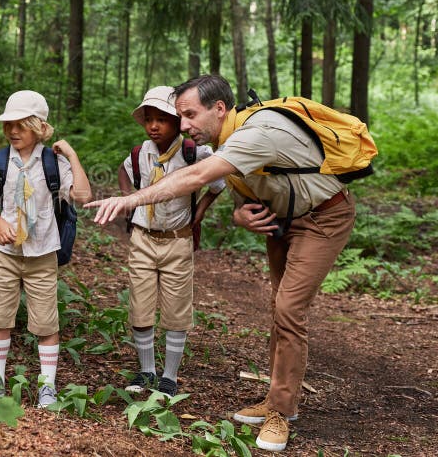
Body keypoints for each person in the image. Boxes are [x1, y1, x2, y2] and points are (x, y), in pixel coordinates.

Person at [86, 75, 355, 452]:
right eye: (180, 116)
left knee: (289, 309)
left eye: (190, 115)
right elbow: (242, 197)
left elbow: (195, 177)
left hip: (324, 217)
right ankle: (274, 399)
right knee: (280, 309)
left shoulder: (253, 134)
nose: (183, 125)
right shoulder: (223, 141)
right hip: (281, 219)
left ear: (219, 108)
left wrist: (129, 201)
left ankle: (282, 411)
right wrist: (240, 216)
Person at [0, 90, 92, 408]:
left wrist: (72, 155)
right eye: (9, 124)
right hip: (5, 254)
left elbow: (82, 196)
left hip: (42, 254)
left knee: (45, 322)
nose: (13, 131)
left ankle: (47, 387)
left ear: (38, 127)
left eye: (21, 125)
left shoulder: (53, 163)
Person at [118, 86, 225, 397]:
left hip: (177, 240)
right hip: (142, 238)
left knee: (177, 309)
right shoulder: (140, 153)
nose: (154, 126)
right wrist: (130, 200)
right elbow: (124, 172)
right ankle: (146, 370)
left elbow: (218, 183)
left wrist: (199, 213)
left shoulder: (195, 153)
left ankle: (170, 375)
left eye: (162, 120)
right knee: (140, 304)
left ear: (178, 120)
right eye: (148, 120)